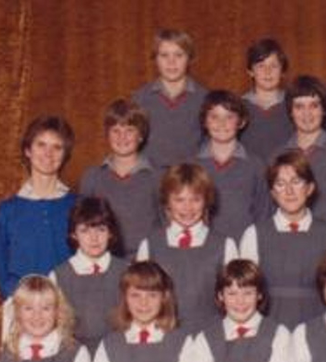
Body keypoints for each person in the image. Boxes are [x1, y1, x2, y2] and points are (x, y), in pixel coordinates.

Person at [239, 150, 326, 327]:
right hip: (268, 326)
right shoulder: (254, 234)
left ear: (310, 188)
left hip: (317, 324)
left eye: (296, 182)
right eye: (280, 184)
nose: (289, 191)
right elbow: (246, 292)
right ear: (272, 192)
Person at [135, 163, 237, 335]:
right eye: (179, 199)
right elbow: (139, 300)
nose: (187, 208)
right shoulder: (150, 245)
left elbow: (235, 300)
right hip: (164, 336)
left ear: (206, 201)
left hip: (211, 336)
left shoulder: (225, 245)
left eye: (195, 199)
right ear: (167, 202)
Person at [0, 115, 77, 299]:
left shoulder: (77, 206)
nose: (48, 153)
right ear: (28, 150)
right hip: (22, 310)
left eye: (57, 147)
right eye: (41, 145)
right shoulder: (7, 211)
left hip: (68, 307)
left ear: (65, 154)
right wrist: (18, 300)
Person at [49, 197, 130, 353]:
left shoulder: (126, 271)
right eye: (85, 230)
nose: (94, 238)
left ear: (111, 233)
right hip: (75, 355)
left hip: (119, 353)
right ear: (73, 234)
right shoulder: (59, 275)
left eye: (101, 229)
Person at [80, 99, 162, 253]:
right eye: (116, 131)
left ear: (141, 136)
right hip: (105, 263)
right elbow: (83, 226)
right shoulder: (92, 177)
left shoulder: (157, 177)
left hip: (147, 263)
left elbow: (167, 227)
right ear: (107, 135)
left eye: (129, 130)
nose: (122, 137)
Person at [275, 75, 326, 226]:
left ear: (324, 110)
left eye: (314, 106)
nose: (307, 114)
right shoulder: (277, 156)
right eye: (299, 107)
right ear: (291, 112)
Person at [193, 90, 271, 238]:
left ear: (241, 122)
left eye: (229, 117)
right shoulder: (191, 165)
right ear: (204, 121)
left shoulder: (256, 165)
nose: (221, 123)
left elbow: (264, 214)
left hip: (244, 249)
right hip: (202, 250)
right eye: (214, 116)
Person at [132, 28, 208, 167]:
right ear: (155, 59)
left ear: (190, 58)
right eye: (164, 55)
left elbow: (209, 144)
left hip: (190, 180)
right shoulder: (140, 98)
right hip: (151, 180)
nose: (171, 62)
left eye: (179, 55)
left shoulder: (204, 98)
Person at [241, 38, 295, 160]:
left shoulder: (294, 105)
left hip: (286, 176)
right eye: (261, 66)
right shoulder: (238, 107)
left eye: (274, 66)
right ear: (250, 71)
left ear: (283, 71)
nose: (267, 71)